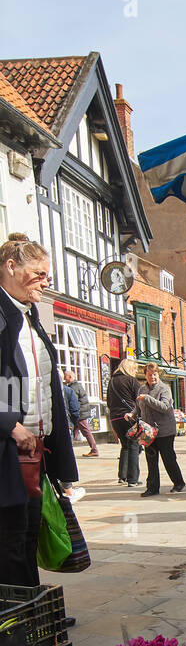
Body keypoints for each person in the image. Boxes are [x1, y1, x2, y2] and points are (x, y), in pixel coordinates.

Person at [0, 233, 78, 586]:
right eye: (40, 273)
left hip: (35, 449)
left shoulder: (28, 316)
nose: (47, 282)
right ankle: (18, 620)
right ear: (11, 267)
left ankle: (31, 606)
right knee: (12, 538)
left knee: (31, 529)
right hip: (9, 449)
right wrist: (10, 425)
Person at [134, 363, 185, 497]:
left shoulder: (164, 389)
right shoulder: (142, 389)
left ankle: (179, 482)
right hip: (148, 431)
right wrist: (132, 414)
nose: (152, 377)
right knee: (151, 459)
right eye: (149, 375)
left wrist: (148, 398)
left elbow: (165, 407)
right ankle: (152, 488)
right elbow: (138, 407)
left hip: (164, 430)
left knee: (168, 458)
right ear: (145, 375)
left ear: (158, 374)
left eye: (155, 374)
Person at [106, 357, 142, 487]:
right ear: (130, 368)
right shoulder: (131, 381)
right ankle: (133, 479)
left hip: (115, 418)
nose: (136, 372)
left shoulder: (111, 381)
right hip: (129, 416)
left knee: (125, 445)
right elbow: (140, 400)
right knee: (133, 445)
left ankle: (122, 476)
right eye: (135, 369)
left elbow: (109, 402)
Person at [63, 370, 99, 455]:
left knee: (86, 431)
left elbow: (73, 402)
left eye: (66, 377)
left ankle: (94, 449)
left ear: (70, 377)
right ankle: (69, 448)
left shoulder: (73, 387)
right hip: (81, 411)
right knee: (74, 431)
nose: (64, 379)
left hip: (80, 413)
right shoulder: (77, 385)